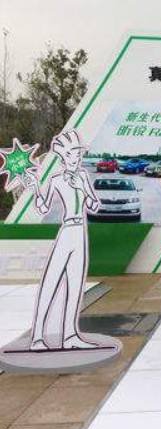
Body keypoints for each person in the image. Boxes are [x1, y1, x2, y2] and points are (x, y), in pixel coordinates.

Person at [22, 130, 101, 350]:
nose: (75, 159)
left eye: (77, 155)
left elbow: (94, 205)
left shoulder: (83, 176)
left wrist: (84, 189)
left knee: (75, 285)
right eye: (70, 155)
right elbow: (43, 208)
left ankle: (70, 335)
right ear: (63, 157)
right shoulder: (56, 179)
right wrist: (35, 188)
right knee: (51, 281)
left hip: (80, 233)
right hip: (66, 231)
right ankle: (38, 337)